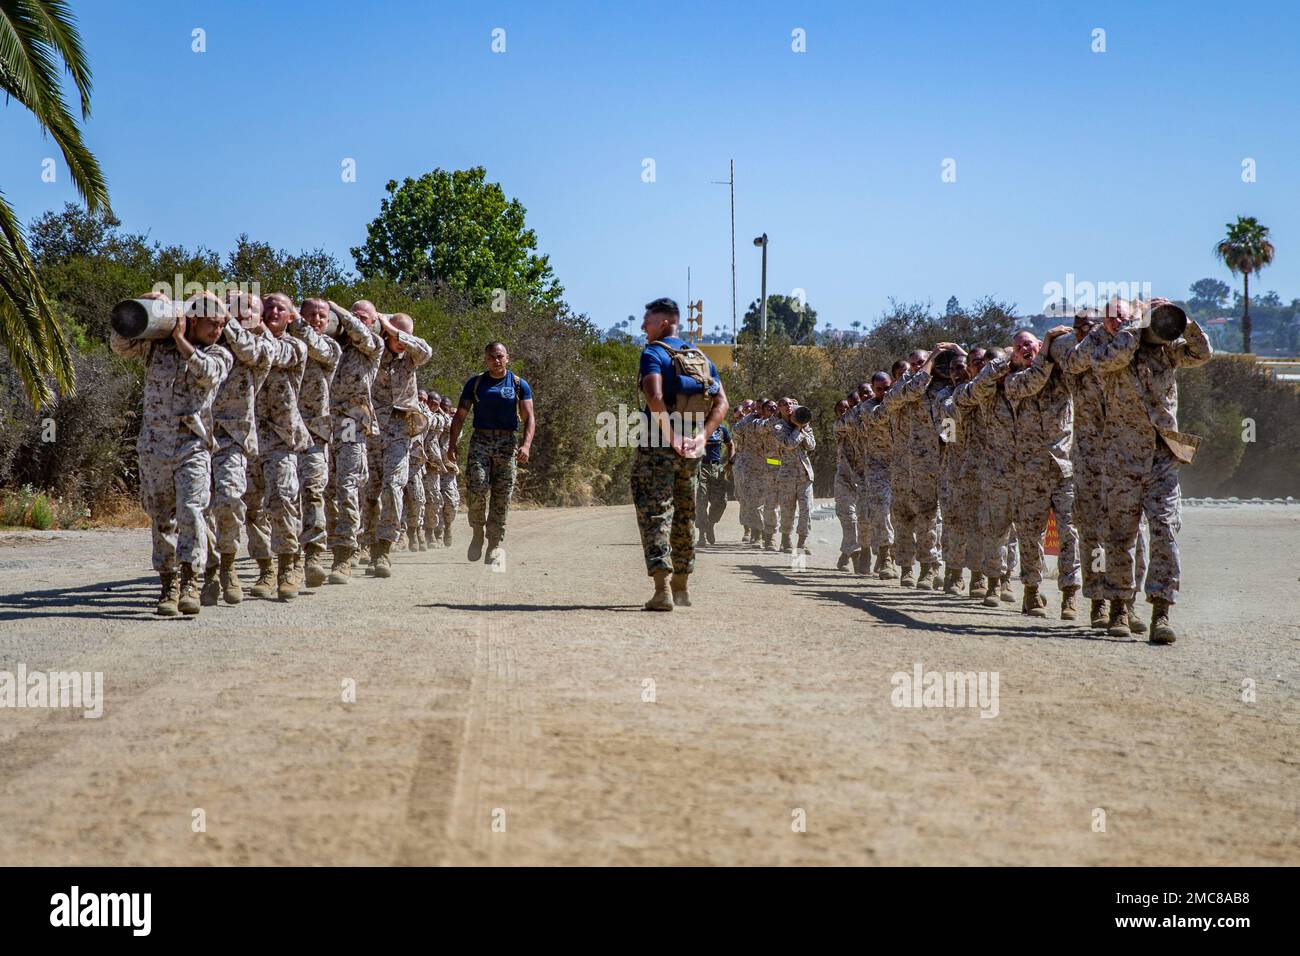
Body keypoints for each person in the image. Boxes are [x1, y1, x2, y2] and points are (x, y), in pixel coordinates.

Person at [1081, 296, 1211, 642]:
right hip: (1121, 458)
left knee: (1165, 531)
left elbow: (1202, 353)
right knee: (1120, 536)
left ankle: (1161, 611)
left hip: (1163, 456)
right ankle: (1121, 606)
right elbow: (1118, 357)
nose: (1118, 321)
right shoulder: (1103, 346)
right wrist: (1132, 326)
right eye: (1113, 317)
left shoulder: (1166, 349)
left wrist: (1180, 318)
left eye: (1123, 315)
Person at [111, 292, 233, 616]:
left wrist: (181, 340)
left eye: (222, 325)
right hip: (154, 444)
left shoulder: (219, 353)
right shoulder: (157, 345)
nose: (217, 330)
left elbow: (207, 374)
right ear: (193, 319)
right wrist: (142, 307)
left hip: (192, 444)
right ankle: (168, 584)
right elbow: (120, 346)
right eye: (213, 324)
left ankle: (191, 581)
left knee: (192, 511)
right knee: (161, 517)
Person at [631, 297, 728, 610]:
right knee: (686, 513)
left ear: (663, 323)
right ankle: (682, 586)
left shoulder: (653, 352)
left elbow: (654, 394)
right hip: (691, 448)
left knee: (656, 511)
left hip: (657, 445)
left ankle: (662, 591)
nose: (643, 326)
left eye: (647, 321)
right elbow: (722, 403)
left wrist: (669, 435)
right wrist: (702, 437)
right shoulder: (700, 356)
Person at [1003, 327, 1082, 619]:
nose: (1025, 348)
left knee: (1069, 533)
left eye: (1030, 343)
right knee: (1029, 534)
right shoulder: (1012, 382)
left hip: (1063, 468)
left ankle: (1070, 595)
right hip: (1029, 471)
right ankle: (1032, 590)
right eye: (1019, 346)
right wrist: (1047, 343)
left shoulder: (1061, 376)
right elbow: (1034, 381)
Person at [201, 291, 272, 606]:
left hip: (234, 437)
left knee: (230, 499)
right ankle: (209, 571)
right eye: (233, 309)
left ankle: (228, 565)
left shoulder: (262, 345)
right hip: (196, 434)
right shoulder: (208, 341)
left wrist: (226, 318)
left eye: (248, 311)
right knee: (197, 509)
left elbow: (248, 351)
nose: (240, 315)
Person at [245, 293, 310, 601]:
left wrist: (253, 327)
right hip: (248, 436)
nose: (272, 312)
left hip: (282, 436)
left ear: (290, 317)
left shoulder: (295, 346)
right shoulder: (245, 343)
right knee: (252, 506)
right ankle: (265, 568)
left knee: (283, 499)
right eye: (267, 307)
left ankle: (288, 566)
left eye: (279, 308)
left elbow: (271, 353)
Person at [449, 342, 535, 564]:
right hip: (481, 441)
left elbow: (529, 417)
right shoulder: (476, 383)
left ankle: (494, 544)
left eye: (500, 356)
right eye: (491, 357)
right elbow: (460, 415)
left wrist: (525, 445)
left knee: (502, 496)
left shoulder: (518, 384)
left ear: (507, 358)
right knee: (476, 486)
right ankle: (477, 532)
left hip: (507, 444)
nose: (496, 361)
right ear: (485, 359)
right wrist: (452, 445)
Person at [361, 312, 433, 577]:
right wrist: (381, 329)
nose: (401, 341)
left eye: (406, 336)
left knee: (393, 487)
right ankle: (367, 542)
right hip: (371, 430)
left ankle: (384, 549)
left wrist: (395, 330)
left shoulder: (413, 356)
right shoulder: (373, 351)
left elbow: (425, 350)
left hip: (401, 432)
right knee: (369, 493)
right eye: (395, 336)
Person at [325, 300, 384, 584]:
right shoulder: (333, 344)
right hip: (320, 425)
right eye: (354, 314)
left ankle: (345, 553)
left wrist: (338, 309)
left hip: (350, 422)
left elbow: (360, 333)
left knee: (347, 485)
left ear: (372, 323)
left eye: (364, 317)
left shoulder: (372, 345)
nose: (357, 320)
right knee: (324, 488)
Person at [291, 298, 341, 588]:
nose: (316, 320)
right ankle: (288, 558)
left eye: (322, 316)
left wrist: (296, 320)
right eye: (310, 315)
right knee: (282, 497)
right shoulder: (283, 343)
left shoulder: (330, 348)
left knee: (312, 491)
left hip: (315, 433)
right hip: (279, 431)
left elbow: (316, 346)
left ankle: (312, 557)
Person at [851, 372, 897, 578]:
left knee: (902, 514)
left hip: (905, 465)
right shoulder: (867, 408)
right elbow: (882, 414)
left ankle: (896, 558)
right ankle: (883, 554)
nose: (885, 392)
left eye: (888, 388)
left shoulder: (900, 401)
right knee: (879, 510)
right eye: (880, 389)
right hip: (876, 468)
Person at [773, 396, 815, 554]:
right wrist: (797, 429)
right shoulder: (778, 427)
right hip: (787, 474)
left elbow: (811, 445)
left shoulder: (805, 423)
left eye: (790, 403)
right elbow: (788, 444)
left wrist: (802, 427)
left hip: (805, 474)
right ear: (779, 408)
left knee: (807, 509)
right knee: (787, 509)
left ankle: (802, 542)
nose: (788, 406)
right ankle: (785, 539)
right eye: (783, 404)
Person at [833, 395, 864, 571]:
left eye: (848, 408)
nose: (845, 412)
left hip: (864, 479)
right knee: (849, 517)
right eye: (841, 410)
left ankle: (846, 553)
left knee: (863, 520)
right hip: (844, 478)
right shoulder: (839, 426)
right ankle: (855, 554)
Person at [695, 419, 732, 545]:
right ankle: (701, 534)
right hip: (700, 467)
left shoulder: (721, 429)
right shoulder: (695, 428)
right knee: (701, 500)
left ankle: (710, 524)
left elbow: (730, 445)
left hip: (717, 468)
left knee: (721, 502)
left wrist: (730, 463)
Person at [438, 395, 462, 541]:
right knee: (433, 502)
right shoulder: (431, 419)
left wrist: (446, 414)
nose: (444, 412)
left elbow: (454, 429)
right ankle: (436, 532)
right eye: (443, 409)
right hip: (431, 468)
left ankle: (448, 525)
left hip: (448, 469)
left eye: (447, 409)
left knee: (450, 502)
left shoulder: (453, 423)